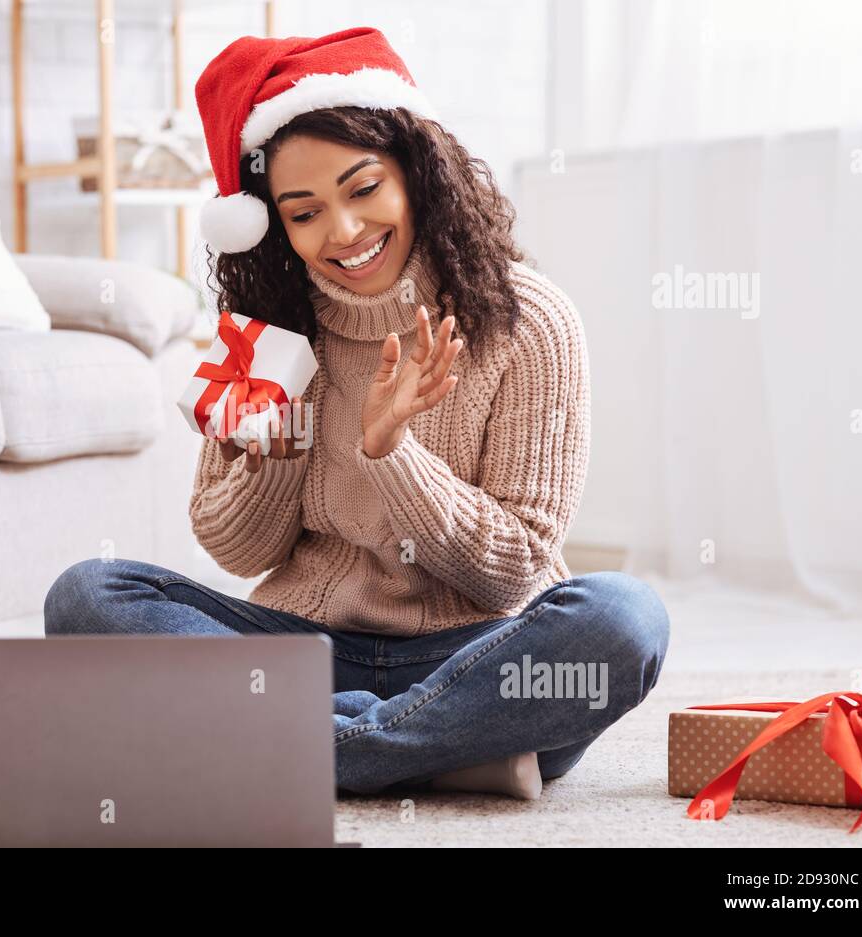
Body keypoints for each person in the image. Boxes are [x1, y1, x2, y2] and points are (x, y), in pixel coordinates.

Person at [45, 26, 670, 798]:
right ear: (273, 220)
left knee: (624, 618)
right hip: (304, 647)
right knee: (87, 596)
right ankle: (433, 748)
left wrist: (393, 451)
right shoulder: (268, 327)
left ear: (417, 173)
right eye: (304, 213)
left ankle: (305, 741)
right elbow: (237, 551)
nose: (342, 232)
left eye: (364, 189)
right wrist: (276, 446)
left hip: (476, 650)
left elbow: (512, 570)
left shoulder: (529, 321)